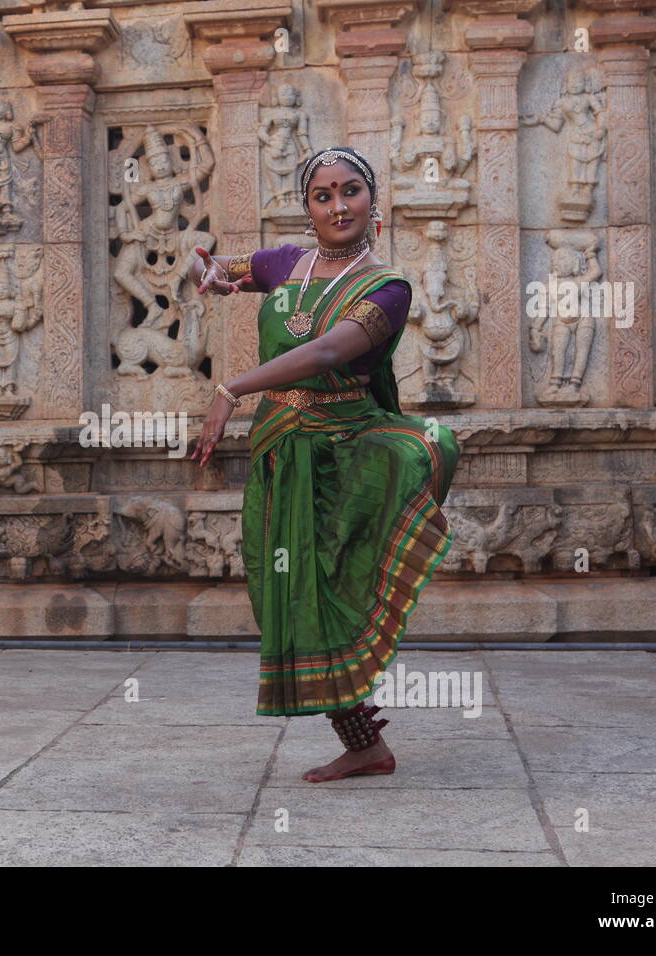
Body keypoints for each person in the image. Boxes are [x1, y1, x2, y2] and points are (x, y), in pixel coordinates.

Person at [188, 146, 460, 782]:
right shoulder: (287, 263)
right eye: (322, 195)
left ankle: (364, 740)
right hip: (282, 449)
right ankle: (364, 743)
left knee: (336, 584)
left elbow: (328, 350)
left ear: (373, 201)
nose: (337, 205)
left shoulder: (387, 287)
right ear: (308, 207)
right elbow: (213, 263)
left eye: (350, 191)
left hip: (344, 450)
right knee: (281, 586)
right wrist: (206, 264)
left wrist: (230, 389)